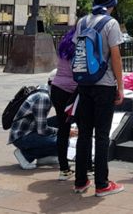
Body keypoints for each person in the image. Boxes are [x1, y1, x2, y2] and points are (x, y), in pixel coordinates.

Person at [72, 0, 125, 197]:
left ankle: (80, 181)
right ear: (111, 4)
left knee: (84, 134)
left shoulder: (82, 22)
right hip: (104, 85)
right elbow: (116, 57)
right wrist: (120, 87)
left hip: (84, 83)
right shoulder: (110, 24)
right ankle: (102, 183)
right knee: (101, 135)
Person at [49, 28, 87, 181]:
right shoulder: (82, 44)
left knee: (62, 130)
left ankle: (63, 169)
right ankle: (86, 167)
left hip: (57, 88)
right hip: (73, 92)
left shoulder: (65, 43)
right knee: (84, 129)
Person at [8, 74, 59, 170]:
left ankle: (45, 158)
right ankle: (26, 155)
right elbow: (42, 130)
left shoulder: (45, 89)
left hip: (30, 128)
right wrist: (62, 132)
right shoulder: (43, 98)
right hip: (21, 136)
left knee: (62, 120)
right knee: (62, 140)